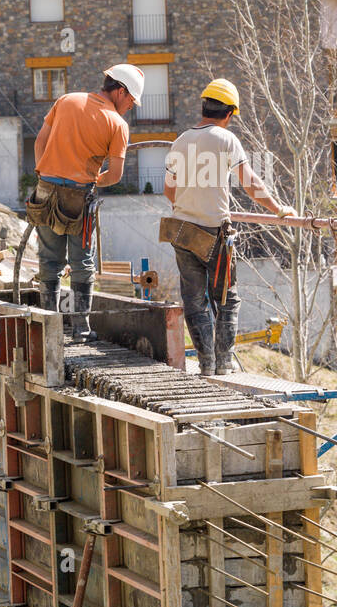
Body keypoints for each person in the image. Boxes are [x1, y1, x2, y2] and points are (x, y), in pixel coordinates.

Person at [163, 79, 294, 375]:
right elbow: (250, 183)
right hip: (214, 233)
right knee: (226, 299)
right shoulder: (226, 140)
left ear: (203, 107)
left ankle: (206, 365)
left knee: (194, 301)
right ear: (229, 113)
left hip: (183, 231)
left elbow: (169, 191)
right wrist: (278, 209)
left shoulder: (180, 140)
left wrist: (189, 204)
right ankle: (224, 364)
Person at [29, 64, 144, 341]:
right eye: (131, 100)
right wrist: (91, 182)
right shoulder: (117, 124)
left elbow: (39, 143)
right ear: (120, 91)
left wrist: (47, 178)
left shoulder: (66, 100)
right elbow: (114, 176)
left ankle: (50, 327)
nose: (130, 106)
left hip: (45, 188)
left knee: (48, 261)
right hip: (78, 198)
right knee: (82, 263)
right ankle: (81, 329)